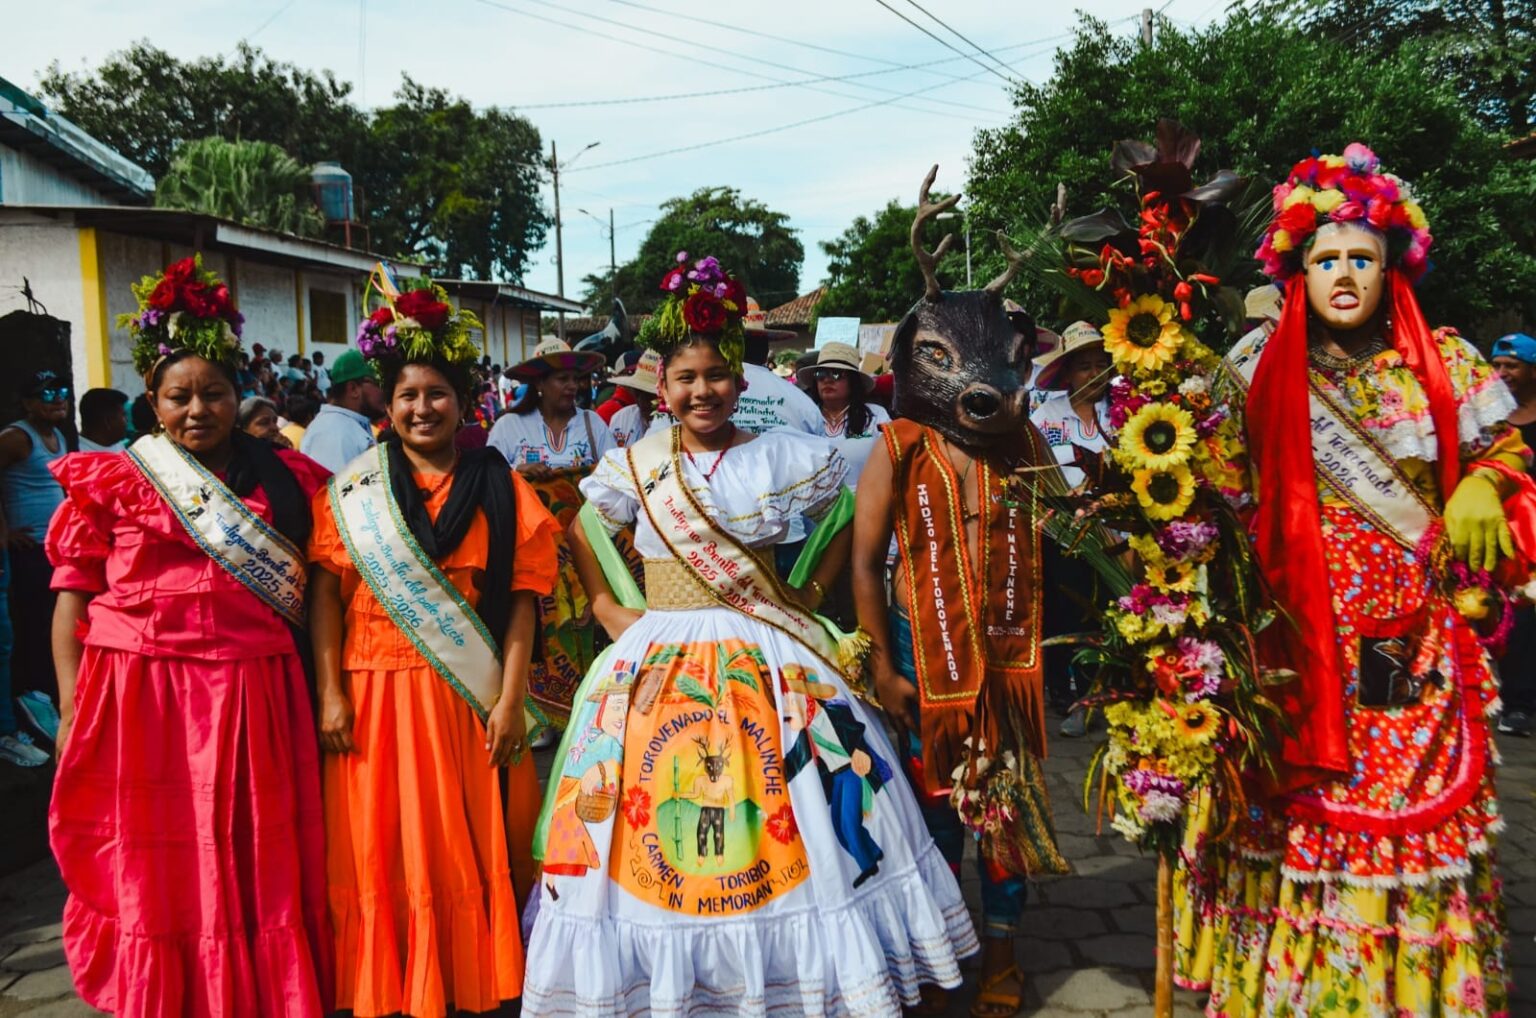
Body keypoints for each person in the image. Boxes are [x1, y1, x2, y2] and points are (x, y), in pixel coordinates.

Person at [522, 252, 976, 1015]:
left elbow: (855, 519)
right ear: (661, 386)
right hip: (657, 649)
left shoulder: (782, 456)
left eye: (717, 377)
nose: (702, 392)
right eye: (686, 379)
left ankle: (799, 977)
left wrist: (813, 589)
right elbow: (580, 530)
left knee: (800, 798)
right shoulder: (635, 464)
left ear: (742, 380)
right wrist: (606, 607)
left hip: (765, 643)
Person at [1175, 144, 1519, 1015]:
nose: (1342, 275)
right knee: (1295, 816)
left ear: (1390, 265)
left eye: (1360, 258)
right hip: (1292, 637)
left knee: (1402, 814)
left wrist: (1485, 480)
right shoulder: (1254, 362)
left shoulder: (1445, 363)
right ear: (1298, 267)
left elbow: (1509, 454)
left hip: (1409, 642)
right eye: (1325, 258)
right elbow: (1200, 489)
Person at [47, 256, 333, 1015]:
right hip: (138, 692)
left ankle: (254, 986)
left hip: (252, 687)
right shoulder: (112, 480)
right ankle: (169, 990)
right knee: (154, 849)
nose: (198, 409)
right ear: (153, 401)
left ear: (241, 396)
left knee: (252, 847)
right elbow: (72, 597)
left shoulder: (288, 479)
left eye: (214, 393)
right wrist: (73, 705)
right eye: (180, 396)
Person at [312, 280, 559, 1018]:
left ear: (465, 401)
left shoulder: (499, 486)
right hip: (371, 695)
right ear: (386, 404)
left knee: (459, 845)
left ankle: (468, 978)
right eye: (408, 394)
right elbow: (326, 595)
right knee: (382, 847)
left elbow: (522, 603)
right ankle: (389, 984)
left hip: (465, 699)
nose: (423, 408)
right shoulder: (353, 492)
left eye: (438, 394)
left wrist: (512, 699)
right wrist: (328, 691)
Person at [853, 183, 1068, 1017]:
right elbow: (866, 564)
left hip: (1009, 663)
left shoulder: (1027, 443)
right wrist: (882, 664)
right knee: (934, 808)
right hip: (919, 653)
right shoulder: (901, 443)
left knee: (1005, 810)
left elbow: (1077, 528)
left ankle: (1005, 952)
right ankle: (945, 948)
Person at [488, 338, 612, 738]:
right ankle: (541, 716)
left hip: (584, 551)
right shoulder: (509, 427)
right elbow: (490, 485)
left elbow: (616, 482)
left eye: (576, 378)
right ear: (539, 384)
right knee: (539, 623)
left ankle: (586, 711)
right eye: (562, 378)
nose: (573, 386)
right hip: (531, 551)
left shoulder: (594, 425)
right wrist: (519, 473)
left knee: (586, 623)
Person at [1027, 321, 1113, 738]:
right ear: (1067, 373)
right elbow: (1033, 473)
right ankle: (1066, 694)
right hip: (1061, 534)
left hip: (1117, 537)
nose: (1094, 374)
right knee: (1064, 616)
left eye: (1101, 364)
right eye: (1084, 366)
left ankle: (1106, 693)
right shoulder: (1046, 415)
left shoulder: (1124, 410)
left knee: (1112, 615)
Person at [0, 370, 70, 745]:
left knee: (53, 626)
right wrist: (5, 531)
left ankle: (46, 700)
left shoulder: (56, 434)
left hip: (53, 549)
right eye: (46, 394)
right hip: (27, 553)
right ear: (27, 402)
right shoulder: (15, 437)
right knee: (33, 629)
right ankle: (32, 703)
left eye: (61, 392)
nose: (57, 399)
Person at [1492, 331, 1536, 736]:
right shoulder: (1488, 417)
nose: (1503, 373)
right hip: (1493, 534)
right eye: (1498, 365)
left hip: (1532, 538)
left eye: (1513, 366)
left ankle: (1520, 704)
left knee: (1525, 618)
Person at [300, 349, 384, 472]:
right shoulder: (334, 433)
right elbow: (337, 489)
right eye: (381, 385)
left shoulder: (344, 425)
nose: (387, 392)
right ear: (353, 389)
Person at [607, 349, 663, 448]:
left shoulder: (675, 426)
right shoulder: (621, 419)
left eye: (649, 395)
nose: (642, 400)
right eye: (637, 392)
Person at [76, 389, 130, 453]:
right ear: (108, 421)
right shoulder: (77, 454)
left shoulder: (117, 445)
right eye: (123, 415)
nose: (127, 420)